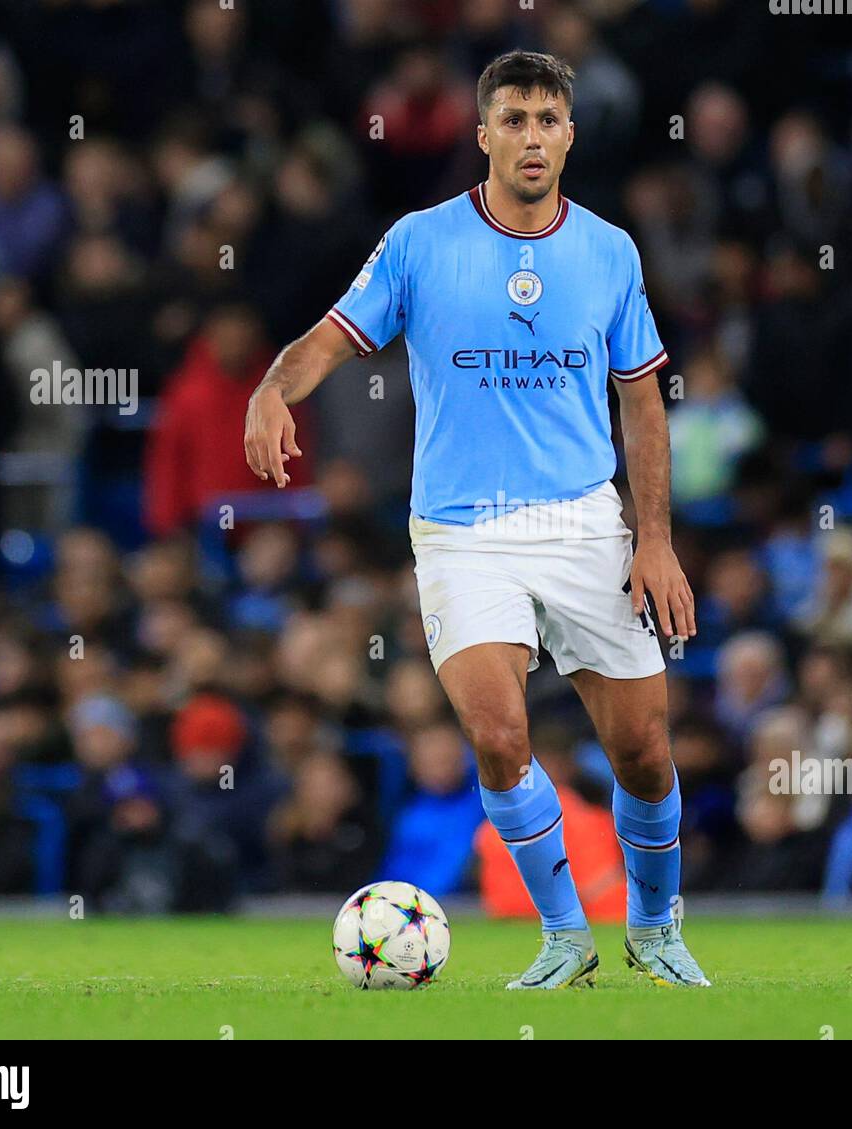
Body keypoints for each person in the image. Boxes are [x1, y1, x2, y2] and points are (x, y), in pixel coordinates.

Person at [244, 51, 707, 988]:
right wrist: (272, 387)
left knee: (645, 753)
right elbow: (334, 334)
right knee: (498, 738)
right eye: (514, 119)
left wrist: (654, 539)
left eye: (548, 120)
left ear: (569, 135)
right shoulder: (419, 242)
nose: (532, 136)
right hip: (461, 528)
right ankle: (567, 935)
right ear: (484, 132)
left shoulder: (610, 251)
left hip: (584, 521)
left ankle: (654, 928)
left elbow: (644, 403)